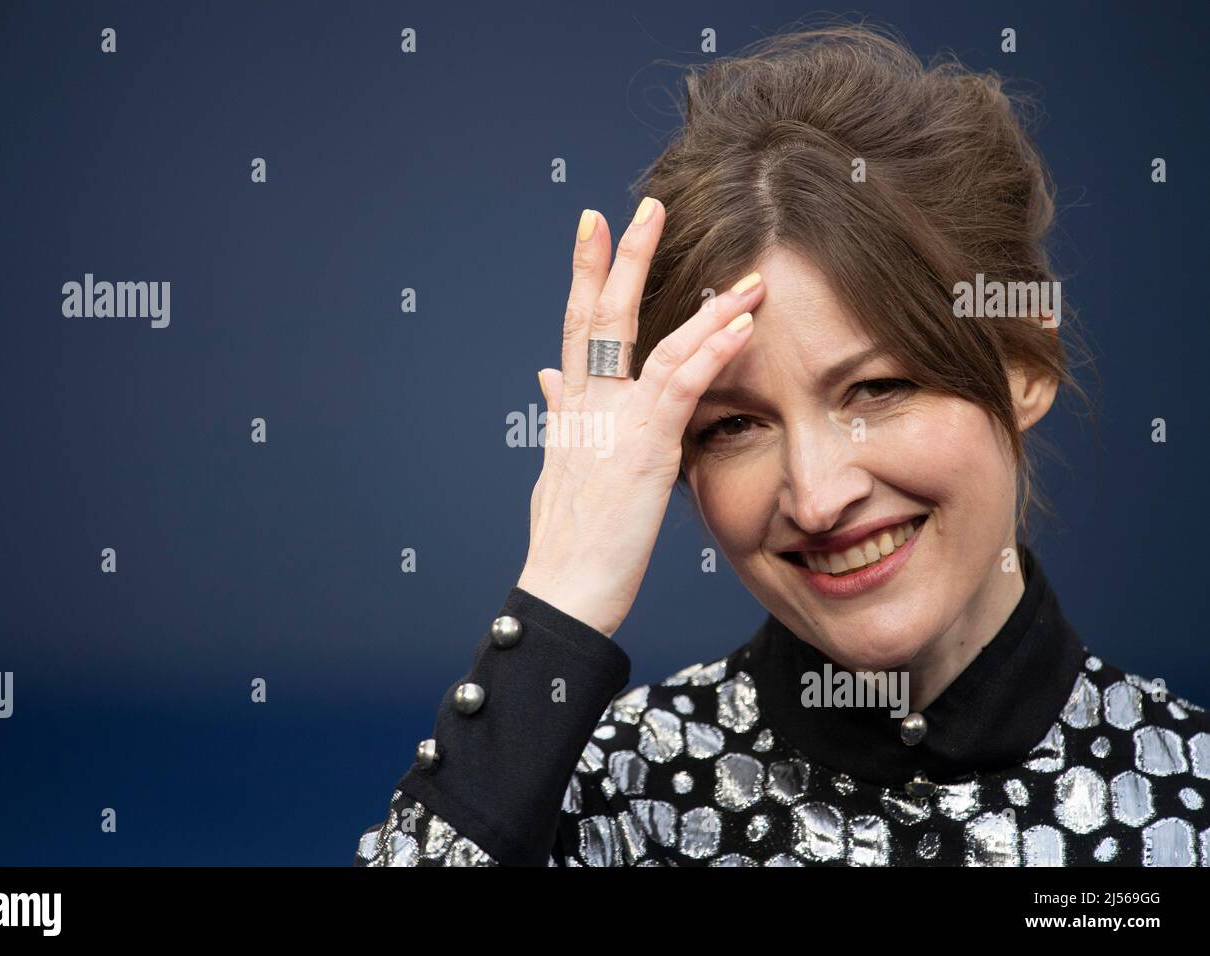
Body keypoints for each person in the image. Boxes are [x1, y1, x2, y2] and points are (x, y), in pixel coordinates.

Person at [354, 23, 1210, 867]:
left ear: (1025, 362)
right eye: (733, 426)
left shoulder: (1187, 799)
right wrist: (560, 595)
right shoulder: (610, 794)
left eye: (878, 388)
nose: (816, 494)